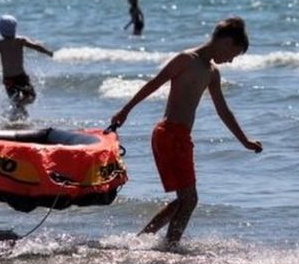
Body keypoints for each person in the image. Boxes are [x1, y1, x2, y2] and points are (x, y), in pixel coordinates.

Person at [110, 17, 262, 246]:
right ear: (226, 42)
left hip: (182, 137)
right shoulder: (186, 59)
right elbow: (155, 83)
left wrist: (244, 141)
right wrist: (125, 110)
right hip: (168, 134)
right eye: (233, 53)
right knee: (189, 199)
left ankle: (144, 240)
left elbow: (223, 111)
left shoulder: (212, 72)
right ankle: (170, 245)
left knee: (185, 199)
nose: (230, 61)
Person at [0, 15, 53, 118]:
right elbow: (36, 46)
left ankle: (13, 116)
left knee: (16, 102)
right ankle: (17, 119)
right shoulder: (20, 41)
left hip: (9, 79)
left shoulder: (1, 44)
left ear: (1, 31)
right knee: (30, 97)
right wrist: (47, 52)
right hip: (20, 77)